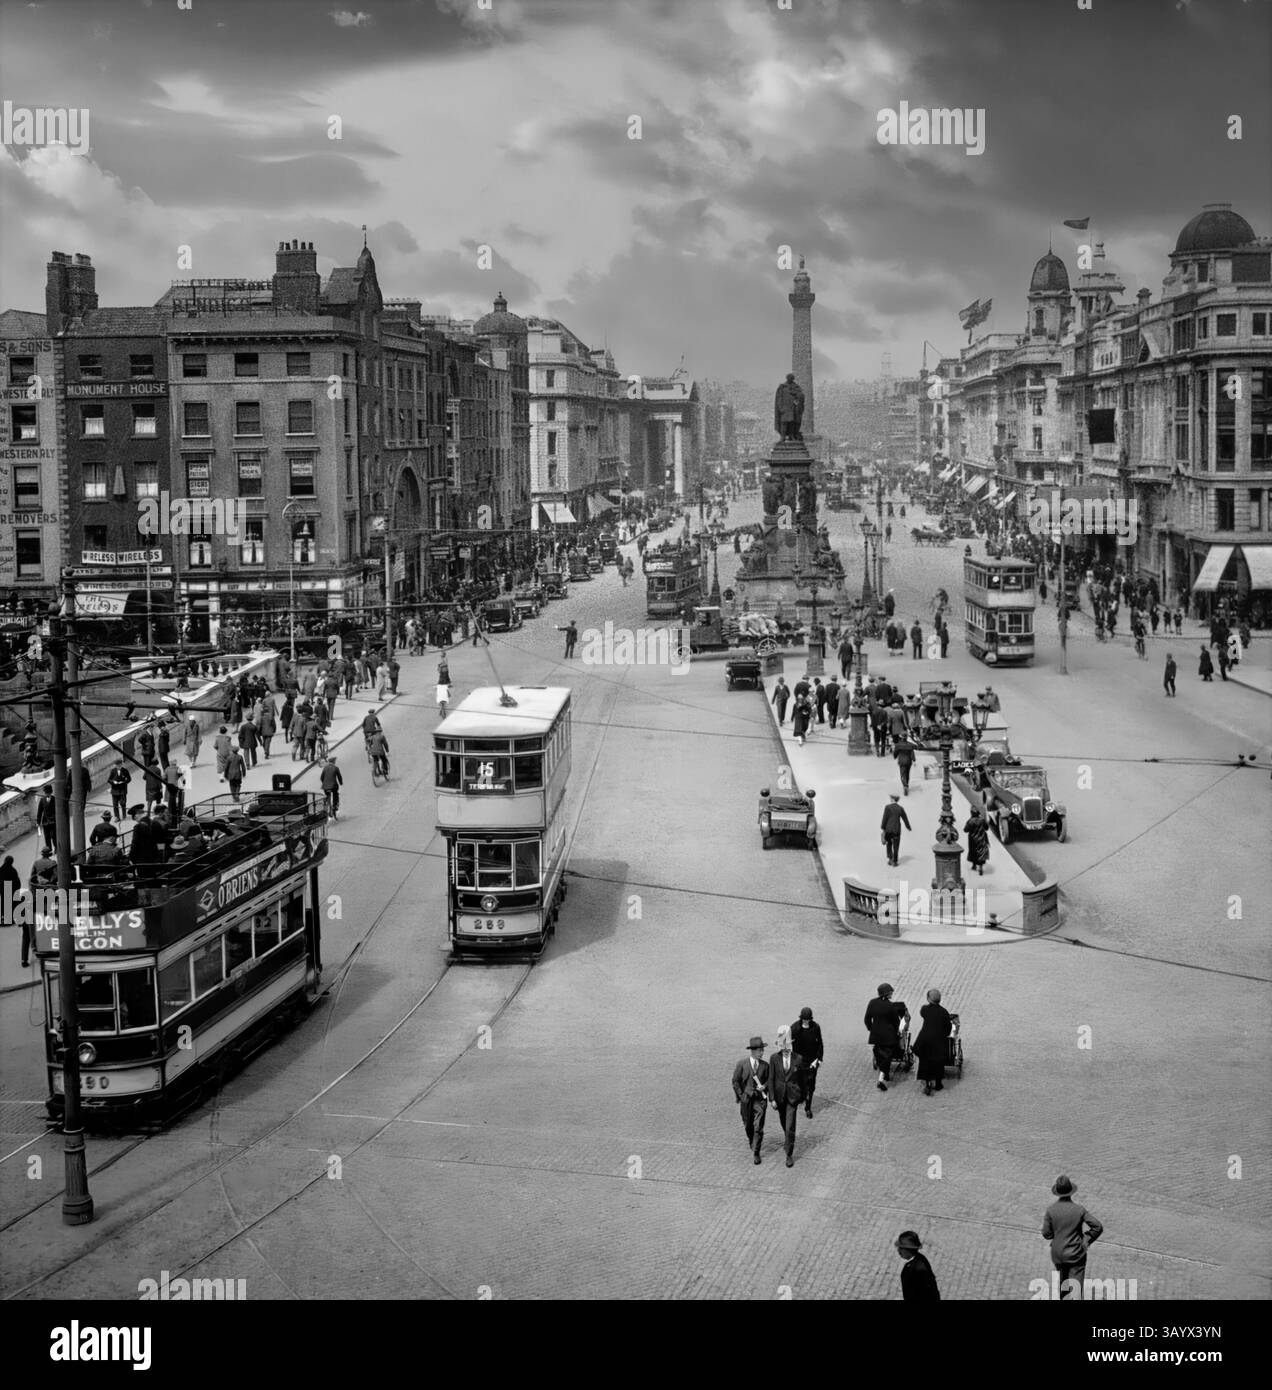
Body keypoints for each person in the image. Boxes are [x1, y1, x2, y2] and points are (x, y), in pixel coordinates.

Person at [1042, 1176, 1103, 1300]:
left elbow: (1046, 1234)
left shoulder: (1051, 1210)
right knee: (1076, 1287)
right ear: (1071, 1192)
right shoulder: (1079, 1210)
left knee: (1063, 1281)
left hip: (1058, 1254)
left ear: (1057, 1193)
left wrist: (1058, 1233)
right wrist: (1087, 1238)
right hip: (1076, 1254)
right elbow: (1097, 1226)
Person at [766, 1026, 802, 1167]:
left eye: (787, 1046)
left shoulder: (798, 1058)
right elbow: (771, 1078)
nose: (785, 1049)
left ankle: (789, 1154)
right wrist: (772, 1098)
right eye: (783, 1046)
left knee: (790, 1126)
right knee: (784, 1122)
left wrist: (800, 1096)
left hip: (792, 1098)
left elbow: (802, 1079)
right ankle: (788, 1139)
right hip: (780, 1097)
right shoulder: (774, 1058)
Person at [731, 1036, 769, 1164]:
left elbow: (770, 1081)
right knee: (748, 1125)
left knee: (758, 1126)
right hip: (746, 1100)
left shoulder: (765, 1066)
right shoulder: (742, 1064)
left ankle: (756, 1152)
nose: (762, 1053)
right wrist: (741, 1096)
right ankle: (751, 1139)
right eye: (760, 1050)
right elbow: (735, 1081)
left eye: (762, 1050)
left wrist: (765, 1086)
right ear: (752, 1051)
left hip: (760, 1101)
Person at [864, 983, 909, 1092]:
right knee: (887, 1056)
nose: (892, 994)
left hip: (876, 1036)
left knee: (879, 1053)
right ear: (887, 993)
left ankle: (884, 1073)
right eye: (891, 992)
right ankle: (881, 1079)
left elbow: (867, 1019)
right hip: (888, 1037)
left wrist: (872, 1029)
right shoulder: (890, 1006)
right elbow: (896, 1022)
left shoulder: (872, 1002)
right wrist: (897, 1033)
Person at [912, 988, 952, 1096]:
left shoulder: (925, 1010)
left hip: (925, 1040)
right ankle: (938, 1083)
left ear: (929, 999)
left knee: (925, 1060)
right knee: (938, 1062)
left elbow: (922, 1012)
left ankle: (927, 1083)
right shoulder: (944, 1012)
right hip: (938, 1041)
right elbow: (948, 1029)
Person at [790, 1007, 824, 1118]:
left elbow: (820, 1044)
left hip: (812, 1061)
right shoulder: (794, 1028)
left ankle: (808, 1108)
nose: (806, 1021)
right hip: (799, 1061)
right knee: (800, 1083)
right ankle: (801, 1097)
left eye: (808, 1019)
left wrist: (818, 1059)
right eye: (804, 1019)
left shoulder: (815, 1027)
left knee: (811, 1085)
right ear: (801, 1019)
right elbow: (790, 1047)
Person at [895, 1232, 940, 1301]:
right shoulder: (917, 1260)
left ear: (908, 1250)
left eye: (901, 1248)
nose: (898, 1251)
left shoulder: (920, 1269)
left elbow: (927, 1293)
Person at [35, 786, 56, 853]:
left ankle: (56, 848)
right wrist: (38, 822)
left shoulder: (54, 799)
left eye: (49, 792)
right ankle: (49, 850)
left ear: (51, 792)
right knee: (47, 837)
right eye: (46, 793)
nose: (47, 794)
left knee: (54, 836)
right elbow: (39, 812)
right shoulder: (42, 800)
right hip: (45, 822)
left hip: (53, 821)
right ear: (45, 793)